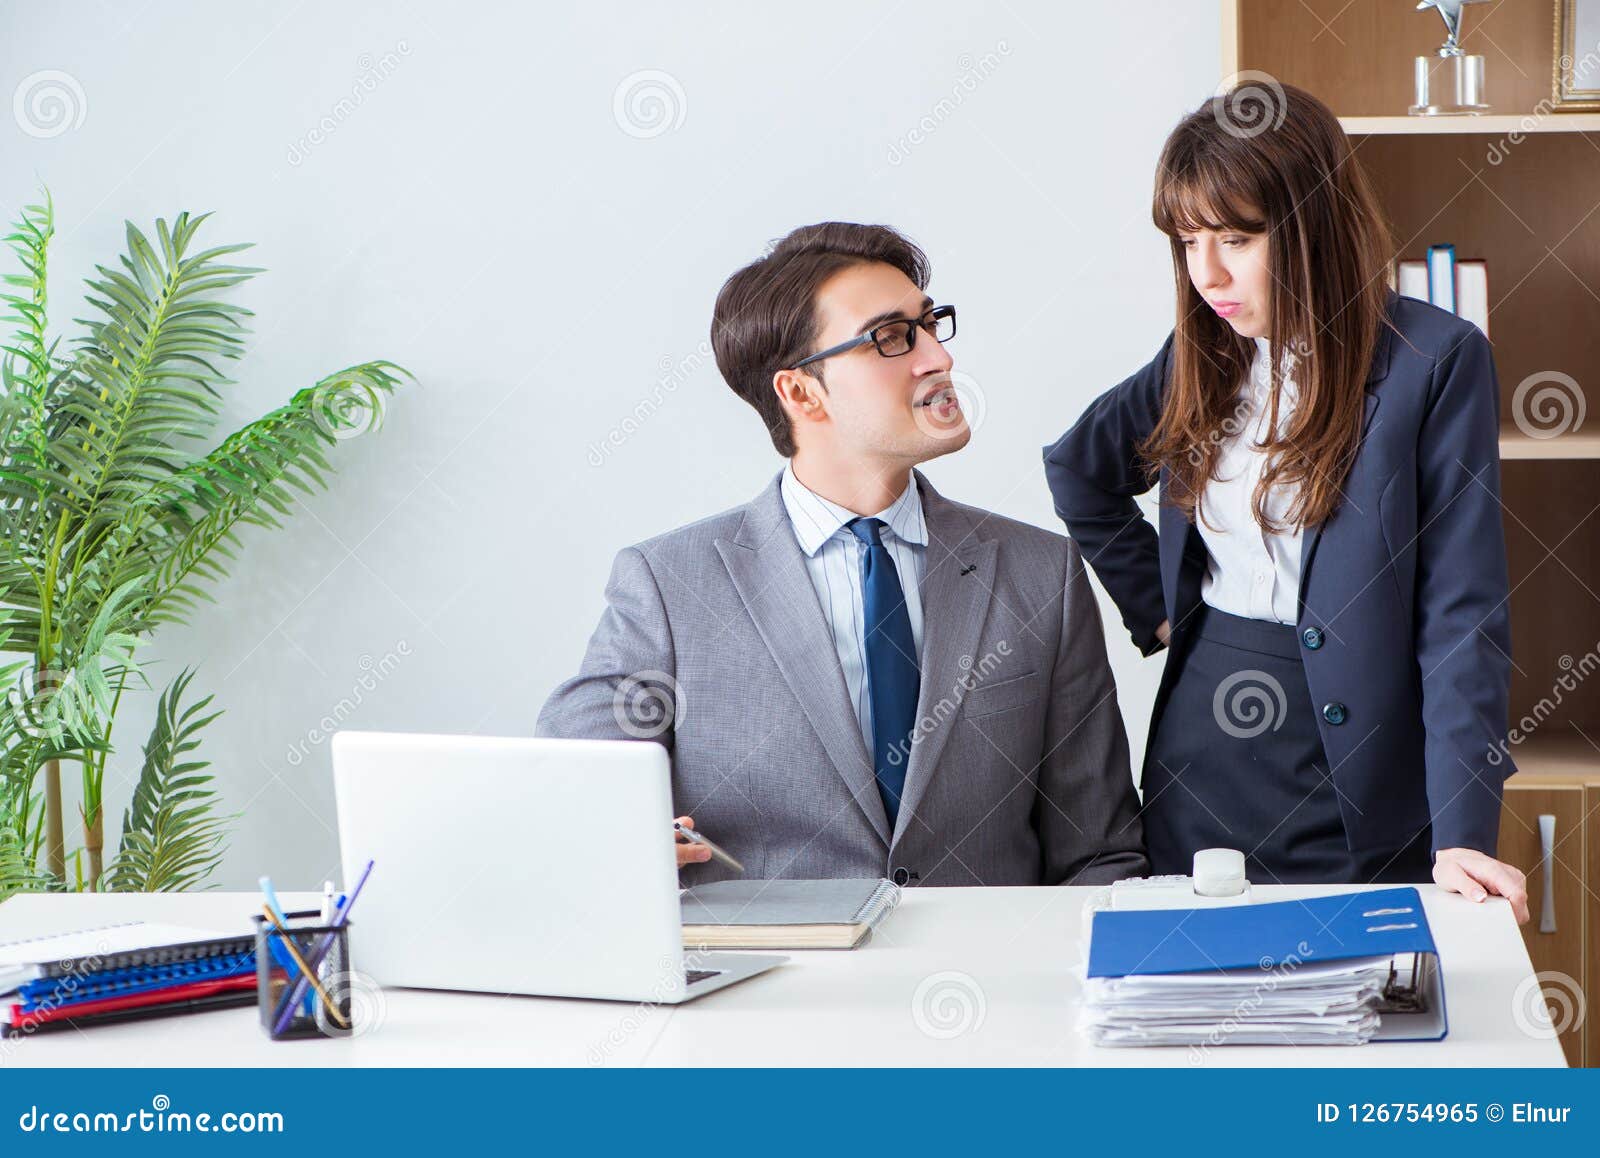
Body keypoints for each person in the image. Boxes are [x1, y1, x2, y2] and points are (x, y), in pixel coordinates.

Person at [1044, 84, 1529, 921]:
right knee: (1194, 1006)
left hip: (1361, 763)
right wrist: (1162, 610)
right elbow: (1079, 470)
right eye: (1189, 241)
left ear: (1314, 225)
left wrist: (1463, 831)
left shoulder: (1434, 361)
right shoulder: (1200, 353)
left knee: (1363, 1012)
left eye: (1237, 237)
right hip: (1202, 751)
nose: (1209, 273)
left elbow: (1462, 615)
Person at [539, 221, 1146, 886]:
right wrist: (614, 826)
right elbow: (580, 784)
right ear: (801, 392)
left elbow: (1100, 854)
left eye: (930, 324)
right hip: (775, 981)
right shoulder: (670, 585)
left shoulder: (1040, 575)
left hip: (988, 980)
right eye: (891, 338)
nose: (937, 358)